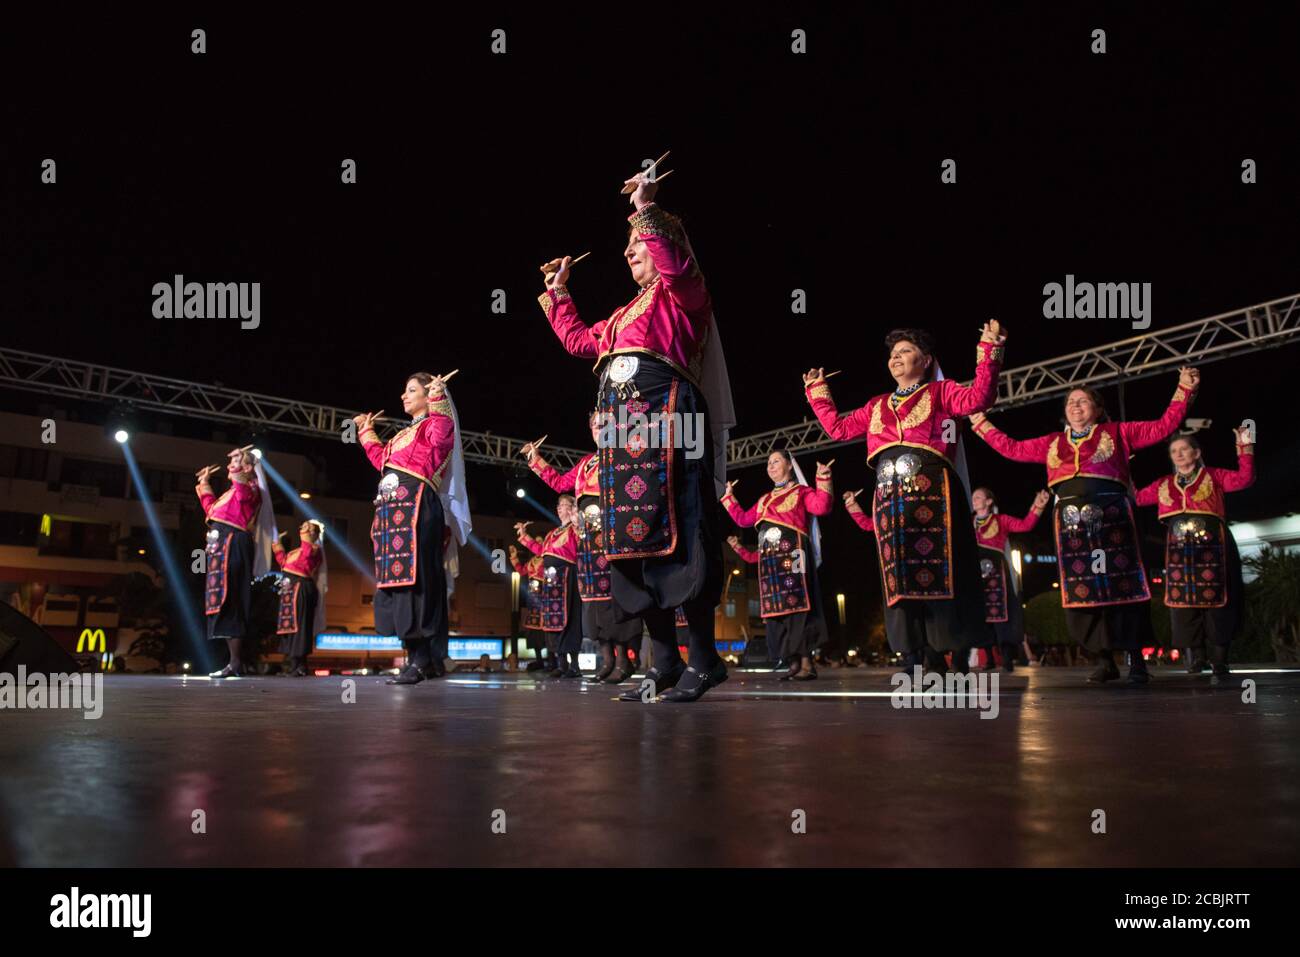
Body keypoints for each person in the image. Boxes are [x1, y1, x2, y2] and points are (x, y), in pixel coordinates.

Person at [537, 166, 736, 703]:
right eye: (627, 246)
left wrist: (644, 208)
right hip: (622, 441)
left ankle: (704, 659)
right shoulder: (622, 316)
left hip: (673, 422)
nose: (630, 251)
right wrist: (559, 293)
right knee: (630, 546)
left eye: (639, 244)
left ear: (663, 243)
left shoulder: (683, 295)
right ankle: (664, 662)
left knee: (683, 528)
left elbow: (674, 264)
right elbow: (580, 341)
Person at [969, 365, 1200, 684]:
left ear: (1098, 409)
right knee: (1084, 594)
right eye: (1070, 402)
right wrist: (980, 422)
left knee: (1125, 591)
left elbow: (1164, 426)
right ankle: (1104, 661)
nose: (1076, 406)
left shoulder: (1119, 433)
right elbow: (1010, 447)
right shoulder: (1050, 443)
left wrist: (1184, 390)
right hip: (1071, 529)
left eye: (1083, 401)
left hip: (1114, 522)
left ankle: (1136, 661)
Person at [804, 323, 1007, 675]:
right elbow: (837, 428)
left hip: (935, 497)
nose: (896, 357)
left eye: (905, 351)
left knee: (943, 575)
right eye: (893, 354)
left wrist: (988, 352)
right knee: (902, 580)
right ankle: (924, 655)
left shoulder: (942, 393)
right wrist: (817, 391)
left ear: (926, 360)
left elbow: (979, 399)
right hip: (890, 503)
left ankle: (951, 655)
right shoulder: (876, 405)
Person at [352, 371, 471, 686]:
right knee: (396, 583)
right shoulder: (399, 438)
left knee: (418, 580)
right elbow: (381, 459)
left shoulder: (434, 425)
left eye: (411, 390)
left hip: (418, 507)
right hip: (393, 516)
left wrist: (439, 399)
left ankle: (420, 659)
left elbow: (444, 440)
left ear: (427, 393)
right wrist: (366, 431)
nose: (404, 396)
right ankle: (420, 658)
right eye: (404, 391)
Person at [523, 413, 642, 683]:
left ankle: (624, 660)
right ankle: (607, 660)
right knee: (592, 601)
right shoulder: (586, 463)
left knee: (614, 597)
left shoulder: (625, 454)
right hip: (588, 543)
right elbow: (560, 483)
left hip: (613, 537)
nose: (600, 430)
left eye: (605, 425)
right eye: (595, 426)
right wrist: (536, 460)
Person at [1134, 426, 1255, 685]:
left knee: (1218, 603)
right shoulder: (1163, 484)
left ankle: (1220, 661)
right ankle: (1197, 657)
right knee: (1184, 604)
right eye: (1174, 451)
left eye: (1184, 449)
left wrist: (1245, 447)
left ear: (1196, 453)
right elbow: (1135, 497)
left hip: (1214, 548)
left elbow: (1245, 479)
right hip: (1179, 553)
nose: (1178, 454)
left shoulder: (1214, 476)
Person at [722, 451, 834, 681]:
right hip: (770, 564)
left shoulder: (801, 492)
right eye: (768, 462)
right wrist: (728, 497)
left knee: (798, 609)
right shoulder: (764, 499)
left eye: (776, 461)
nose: (770, 466)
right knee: (776, 613)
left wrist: (824, 479)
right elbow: (743, 519)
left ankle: (806, 663)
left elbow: (822, 507)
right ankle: (792, 662)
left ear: (790, 466)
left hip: (793, 557)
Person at [196, 446, 276, 678]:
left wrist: (236, 462)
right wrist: (204, 483)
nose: (236, 467)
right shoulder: (228, 494)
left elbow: (242, 493)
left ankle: (235, 662)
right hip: (220, 546)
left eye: (243, 464)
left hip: (234, 543)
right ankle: (233, 662)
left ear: (251, 469)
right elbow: (211, 511)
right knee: (222, 599)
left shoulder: (252, 489)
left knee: (232, 598)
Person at [971, 488, 1049, 672]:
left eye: (978, 497)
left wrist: (1037, 507)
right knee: (979, 614)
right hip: (975, 570)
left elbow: (1025, 525)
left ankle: (1006, 658)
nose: (974, 500)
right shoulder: (968, 522)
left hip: (997, 571)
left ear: (989, 502)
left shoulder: (1001, 520)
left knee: (1001, 613)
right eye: (973, 498)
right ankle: (989, 657)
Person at [515, 496, 583, 678]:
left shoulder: (574, 528)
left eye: (563, 505)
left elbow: (582, 538)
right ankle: (561, 664)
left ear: (572, 508)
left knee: (570, 619)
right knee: (553, 620)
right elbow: (541, 550)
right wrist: (524, 535)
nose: (559, 508)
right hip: (552, 580)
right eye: (558, 505)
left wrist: (578, 517)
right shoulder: (552, 534)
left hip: (567, 575)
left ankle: (574, 665)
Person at [273, 519, 327, 676]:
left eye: (307, 528)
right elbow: (283, 562)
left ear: (313, 534)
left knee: (301, 626)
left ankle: (300, 665)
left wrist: (309, 531)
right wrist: (278, 542)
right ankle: (295, 664)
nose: (302, 529)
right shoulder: (295, 552)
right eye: (303, 526)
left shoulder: (314, 549)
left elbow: (307, 552)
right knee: (290, 626)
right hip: (290, 590)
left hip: (302, 588)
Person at [509, 544, 554, 672]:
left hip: (545, 597)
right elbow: (521, 571)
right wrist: (514, 558)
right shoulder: (531, 561)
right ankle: (539, 660)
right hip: (532, 598)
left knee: (547, 629)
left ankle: (552, 660)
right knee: (534, 631)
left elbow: (552, 577)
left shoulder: (548, 559)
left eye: (540, 541)